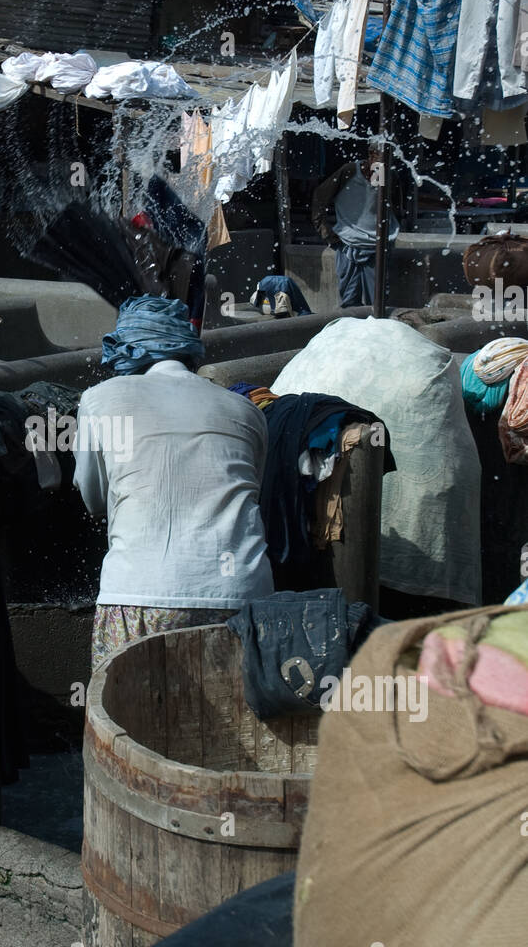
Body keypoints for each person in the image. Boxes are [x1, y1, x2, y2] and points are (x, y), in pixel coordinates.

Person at [73, 295, 274, 671]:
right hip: (243, 596)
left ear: (127, 349)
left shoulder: (99, 400)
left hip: (141, 596)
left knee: (128, 716)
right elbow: (250, 490)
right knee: (234, 722)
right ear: (188, 351)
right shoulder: (246, 410)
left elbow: (93, 497)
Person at [311, 142, 399, 307]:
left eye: (389, 160)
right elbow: (320, 196)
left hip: (376, 246)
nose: (385, 164)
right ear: (371, 155)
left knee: (377, 303)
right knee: (349, 302)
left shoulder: (384, 175)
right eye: (382, 158)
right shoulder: (350, 171)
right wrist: (324, 229)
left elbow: (389, 206)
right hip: (348, 244)